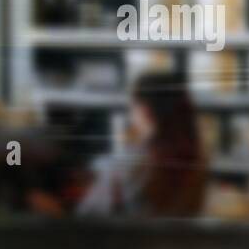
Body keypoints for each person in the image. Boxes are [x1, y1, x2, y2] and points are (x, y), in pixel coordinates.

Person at [75, 72, 207, 217]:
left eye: (133, 108)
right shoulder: (198, 161)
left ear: (145, 111)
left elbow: (88, 213)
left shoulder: (132, 163)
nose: (131, 116)